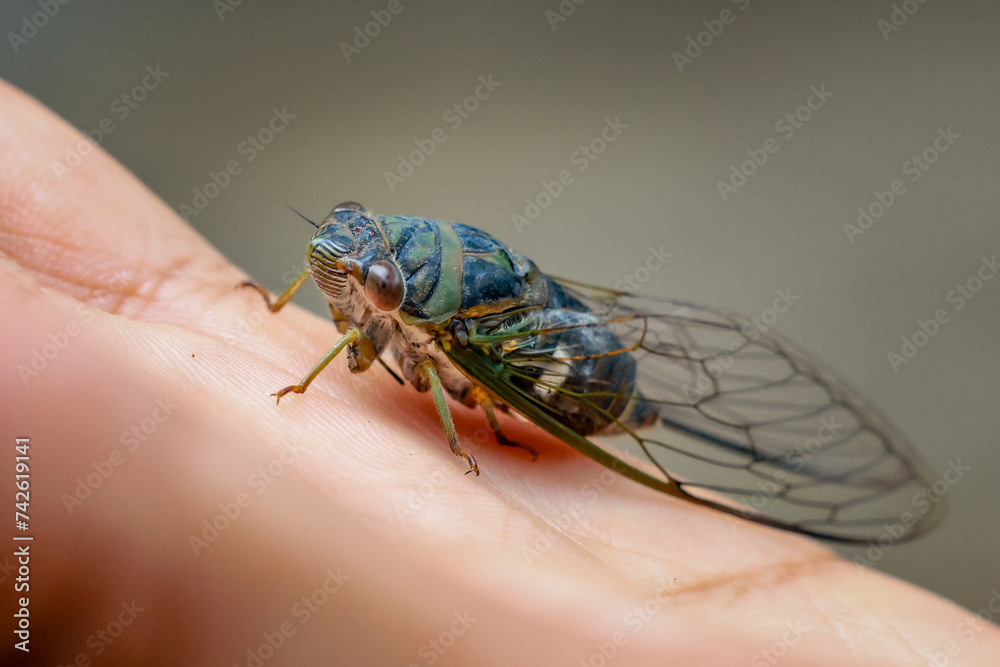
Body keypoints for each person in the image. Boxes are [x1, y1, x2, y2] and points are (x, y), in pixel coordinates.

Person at [2, 77, 996, 666]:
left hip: (565, 373)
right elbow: (348, 286)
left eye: (371, 279)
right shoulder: (368, 269)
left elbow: (424, 369)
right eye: (347, 267)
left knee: (467, 370)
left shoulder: (432, 331)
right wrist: (307, 296)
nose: (341, 282)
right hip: (494, 309)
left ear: (403, 288)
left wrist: (387, 411)